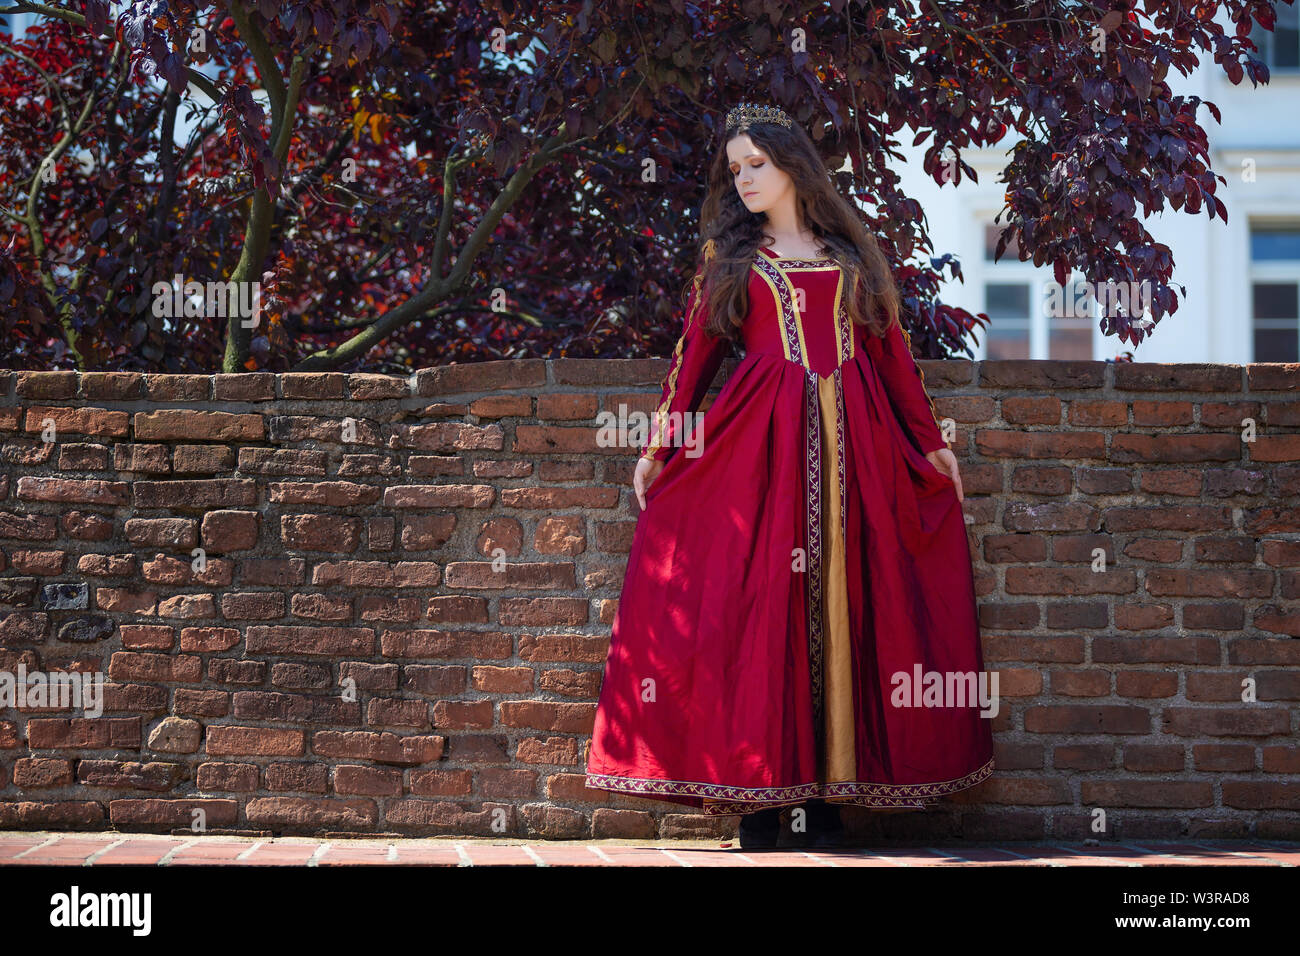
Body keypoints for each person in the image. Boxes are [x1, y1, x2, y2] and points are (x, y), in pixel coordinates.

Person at [583, 102, 994, 850]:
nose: (742, 180)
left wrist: (931, 445)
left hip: (860, 445)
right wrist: (657, 450)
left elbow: (890, 354)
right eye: (733, 169)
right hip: (758, 446)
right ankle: (764, 800)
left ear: (792, 166)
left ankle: (831, 796)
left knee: (854, 597)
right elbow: (694, 362)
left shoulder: (850, 257)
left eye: (756, 165)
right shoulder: (731, 264)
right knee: (763, 605)